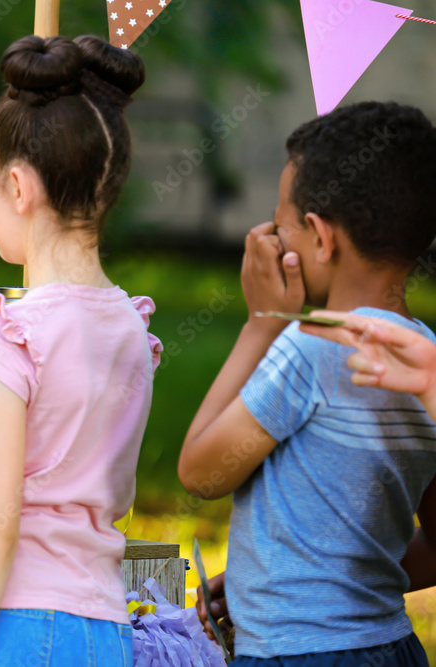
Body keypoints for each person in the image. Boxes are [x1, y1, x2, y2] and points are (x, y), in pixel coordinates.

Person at [0, 34, 162, 666]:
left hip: (11, 627)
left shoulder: (9, 332)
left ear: (17, 186)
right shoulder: (128, 327)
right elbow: (44, 470)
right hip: (99, 629)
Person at [180, 101, 436, 665]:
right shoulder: (425, 359)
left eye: (281, 222)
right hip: (390, 648)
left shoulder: (308, 350)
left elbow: (200, 471)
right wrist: (276, 582)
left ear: (320, 237)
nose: (272, 238)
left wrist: (260, 325)